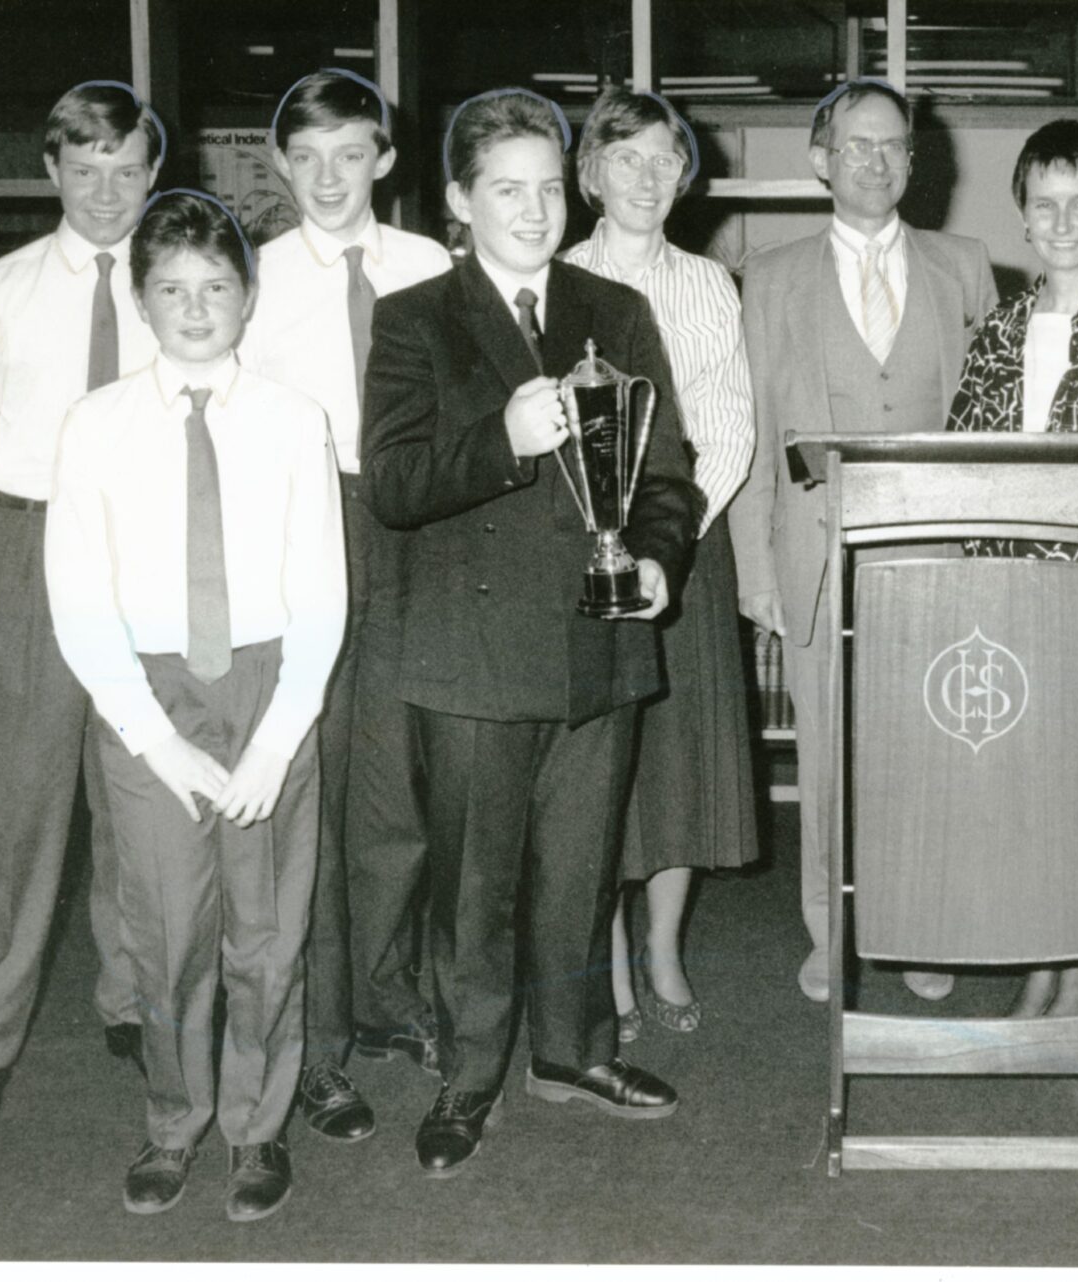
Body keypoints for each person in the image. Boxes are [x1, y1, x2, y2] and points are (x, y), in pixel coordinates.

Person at [359, 88, 697, 1177]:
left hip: (598, 640)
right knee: (474, 887)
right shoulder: (413, 317)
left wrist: (657, 557)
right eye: (507, 189)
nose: (535, 209)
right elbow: (398, 486)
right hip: (470, 654)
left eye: (550, 187)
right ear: (459, 200)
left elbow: (667, 475)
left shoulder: (617, 307)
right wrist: (502, 438)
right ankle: (469, 1071)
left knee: (580, 870)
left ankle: (572, 1052)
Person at [44, 190, 345, 1220]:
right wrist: (154, 739)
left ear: (248, 294)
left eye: (216, 285)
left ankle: (256, 1129)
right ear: (140, 299)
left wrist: (278, 736)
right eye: (171, 288)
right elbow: (78, 599)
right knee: (164, 930)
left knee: (265, 931)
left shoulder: (292, 420)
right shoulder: (94, 425)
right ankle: (173, 1117)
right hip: (148, 689)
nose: (195, 306)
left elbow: (321, 591)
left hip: (266, 681)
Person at [0, 81, 162, 1134]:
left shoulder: (185, 283)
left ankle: (136, 998)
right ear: (53, 171)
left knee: (142, 806)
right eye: (84, 165)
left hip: (146, 558)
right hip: (24, 553)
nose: (106, 190)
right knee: (15, 816)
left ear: (154, 173)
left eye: (126, 167)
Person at [727, 78, 997, 1004]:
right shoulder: (768, 273)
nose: (876, 163)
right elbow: (754, 427)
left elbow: (991, 428)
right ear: (820, 161)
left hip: (938, 553)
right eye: (856, 146)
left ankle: (922, 926)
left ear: (914, 162)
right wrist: (755, 569)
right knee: (831, 757)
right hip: (814, 546)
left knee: (930, 750)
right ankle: (830, 935)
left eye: (893, 147)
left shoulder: (964, 266)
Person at [239, 67, 453, 1143]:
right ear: (281, 164)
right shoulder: (253, 277)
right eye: (307, 156)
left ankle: (388, 996)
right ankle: (315, 1043)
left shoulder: (429, 265)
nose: (329, 177)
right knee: (310, 784)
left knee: (397, 780)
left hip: (413, 524)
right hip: (301, 528)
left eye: (350, 153)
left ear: (385, 158)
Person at [944, 117, 1078, 1018]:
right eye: (1044, 205)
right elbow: (961, 450)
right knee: (1025, 791)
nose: (1062, 221)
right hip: (1008, 591)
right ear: (1023, 218)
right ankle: (1047, 957)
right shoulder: (1001, 327)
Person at [562, 88, 759, 1042]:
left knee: (682, 766)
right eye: (624, 158)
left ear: (686, 174)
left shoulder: (709, 285)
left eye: (663, 159)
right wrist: (601, 532)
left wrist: (662, 544)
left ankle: (665, 948)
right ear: (589, 173)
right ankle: (608, 968)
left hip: (685, 549)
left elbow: (728, 430)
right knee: (596, 769)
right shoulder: (553, 280)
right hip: (576, 551)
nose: (646, 177)